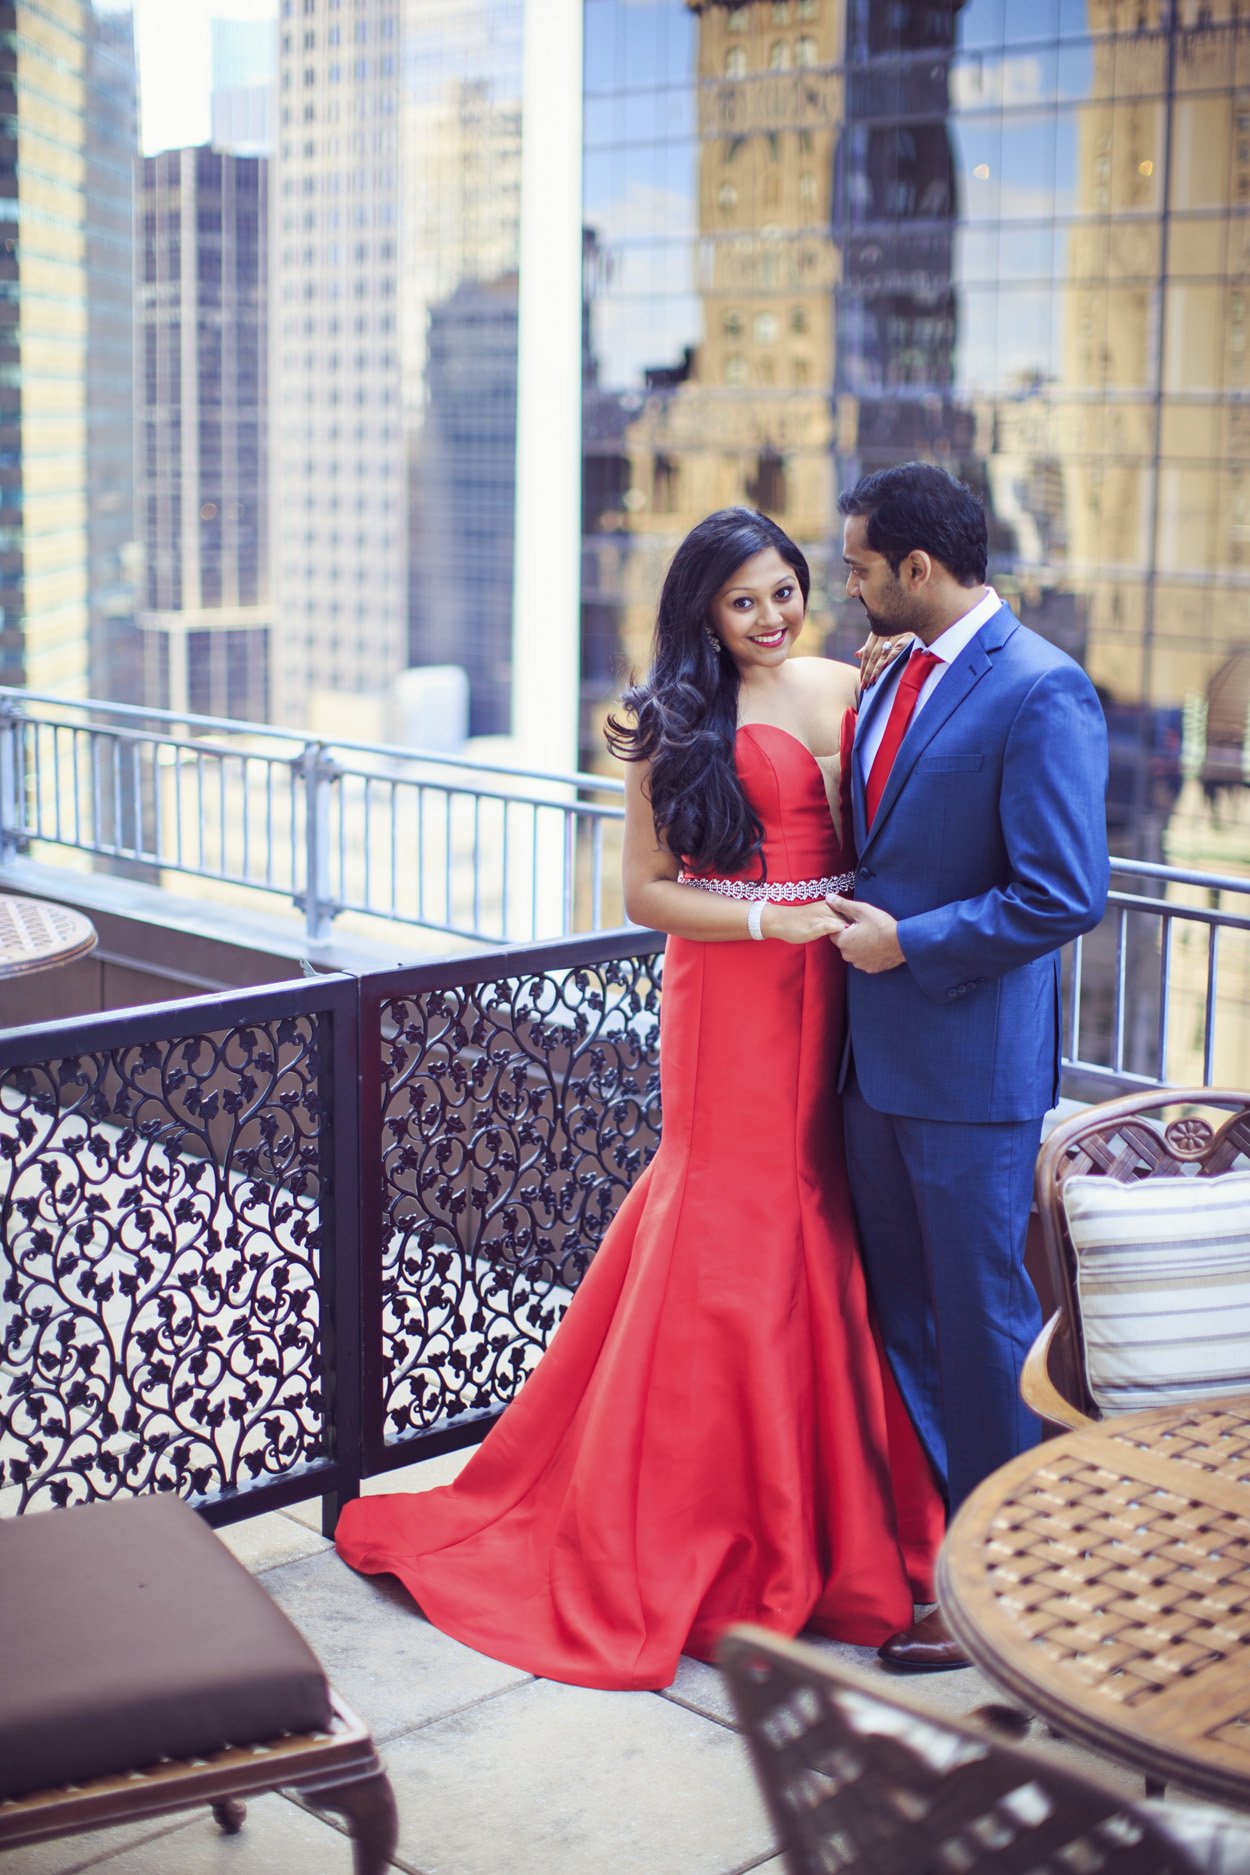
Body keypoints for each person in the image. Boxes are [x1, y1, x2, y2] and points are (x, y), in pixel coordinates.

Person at [335, 507, 944, 1690]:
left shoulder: (848, 684)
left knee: (815, 1215)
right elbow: (644, 895)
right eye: (743, 601)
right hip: (729, 990)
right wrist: (771, 918)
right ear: (702, 616)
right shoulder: (671, 724)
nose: (770, 619)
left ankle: (819, 1517)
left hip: (835, 987)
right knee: (732, 1218)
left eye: (784, 592)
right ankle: (698, 1513)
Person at [829, 462, 1110, 1671]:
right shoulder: (891, 675)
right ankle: (941, 1552)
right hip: (867, 1068)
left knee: (984, 1322)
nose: (844, 587)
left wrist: (911, 945)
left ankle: (1002, 1584)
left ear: (917, 570)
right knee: (902, 1318)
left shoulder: (1042, 691)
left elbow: (1063, 891)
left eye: (854, 568)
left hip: (968, 1081)